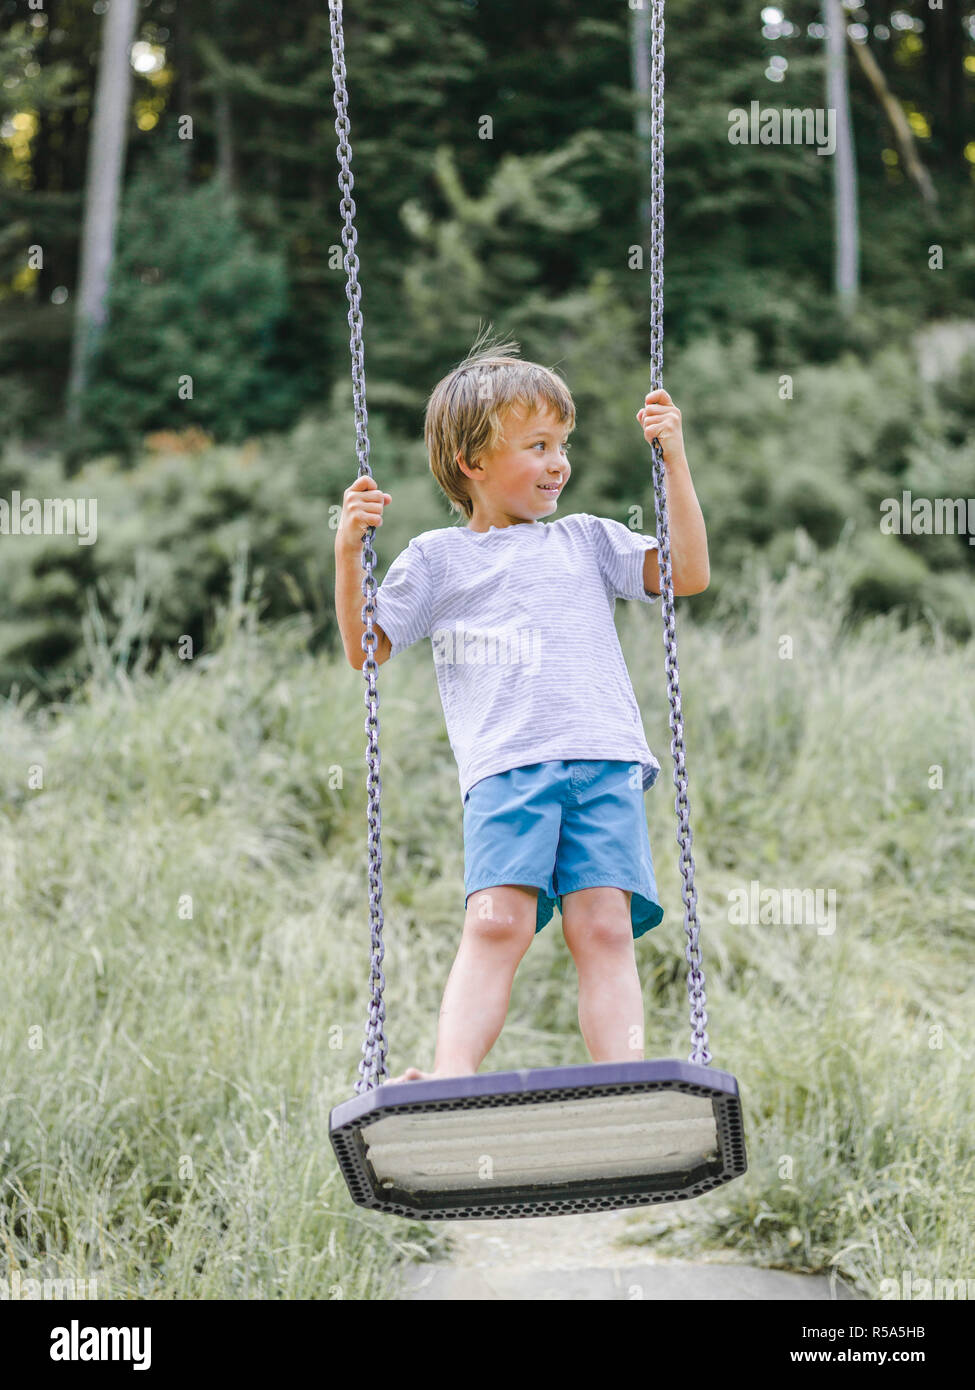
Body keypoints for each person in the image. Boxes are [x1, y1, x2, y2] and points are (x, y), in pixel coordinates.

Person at [333, 332, 710, 1085]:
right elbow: (365, 647)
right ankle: (448, 1078)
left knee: (603, 928)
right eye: (537, 444)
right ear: (473, 463)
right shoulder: (438, 559)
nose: (558, 461)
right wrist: (348, 553)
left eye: (562, 443)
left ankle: (624, 1084)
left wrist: (672, 458)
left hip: (604, 762)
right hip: (507, 769)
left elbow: (686, 572)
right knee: (496, 923)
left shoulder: (587, 540)